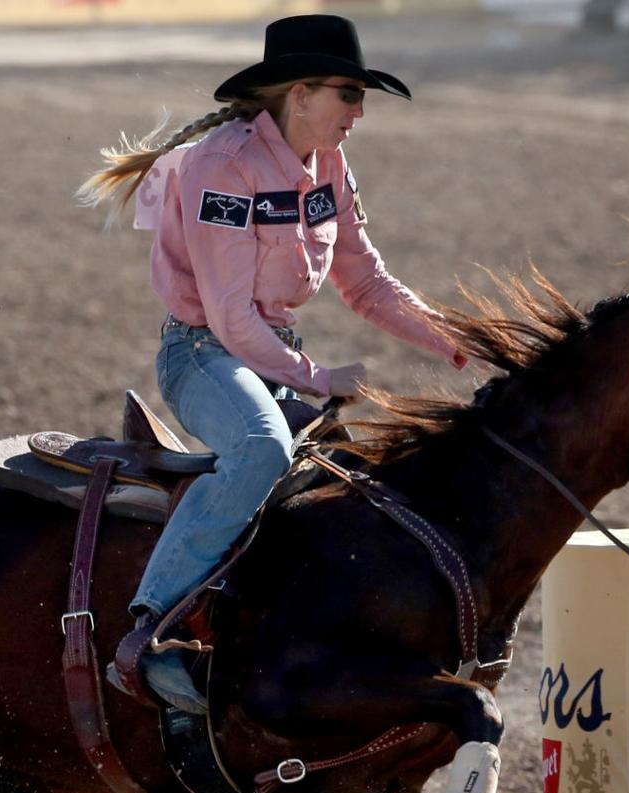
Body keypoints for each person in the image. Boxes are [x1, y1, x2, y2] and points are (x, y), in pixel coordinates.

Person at [76, 14, 467, 715]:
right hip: (202, 356)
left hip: (269, 354)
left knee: (355, 486)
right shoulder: (221, 169)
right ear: (300, 93)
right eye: (349, 92)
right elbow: (228, 320)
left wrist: (451, 338)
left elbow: (366, 281)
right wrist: (317, 379)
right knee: (260, 446)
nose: (359, 109)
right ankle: (148, 636)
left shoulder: (330, 166)